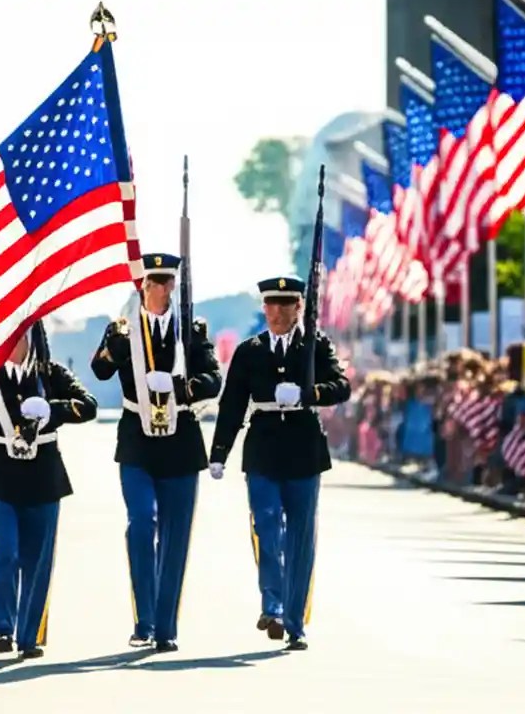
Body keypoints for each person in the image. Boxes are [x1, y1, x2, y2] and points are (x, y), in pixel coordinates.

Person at [207, 276, 350, 651]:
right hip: (264, 448)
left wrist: (309, 393)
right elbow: (232, 404)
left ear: (299, 308)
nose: (277, 312)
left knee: (300, 537)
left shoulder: (315, 345)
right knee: (266, 524)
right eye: (271, 305)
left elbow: (341, 385)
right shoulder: (250, 350)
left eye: (286, 305)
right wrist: (219, 452)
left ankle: (295, 621)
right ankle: (272, 603)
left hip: (303, 448)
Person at [90, 252, 222, 653]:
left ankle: (166, 627)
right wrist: (113, 347)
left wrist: (183, 387)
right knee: (142, 522)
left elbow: (213, 379)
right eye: (150, 282)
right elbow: (99, 371)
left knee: (175, 537)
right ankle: (143, 619)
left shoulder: (191, 331)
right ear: (141, 286)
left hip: (181, 440)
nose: (157, 288)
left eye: (164, 282)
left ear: (173, 287)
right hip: (137, 442)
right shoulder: (123, 328)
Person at [0, 322, 97, 659]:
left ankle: (30, 636)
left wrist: (53, 411)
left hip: (43, 478)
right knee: (6, 549)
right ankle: (0, 627)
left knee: (37, 560)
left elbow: (88, 405)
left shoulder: (52, 374)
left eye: (18, 335)